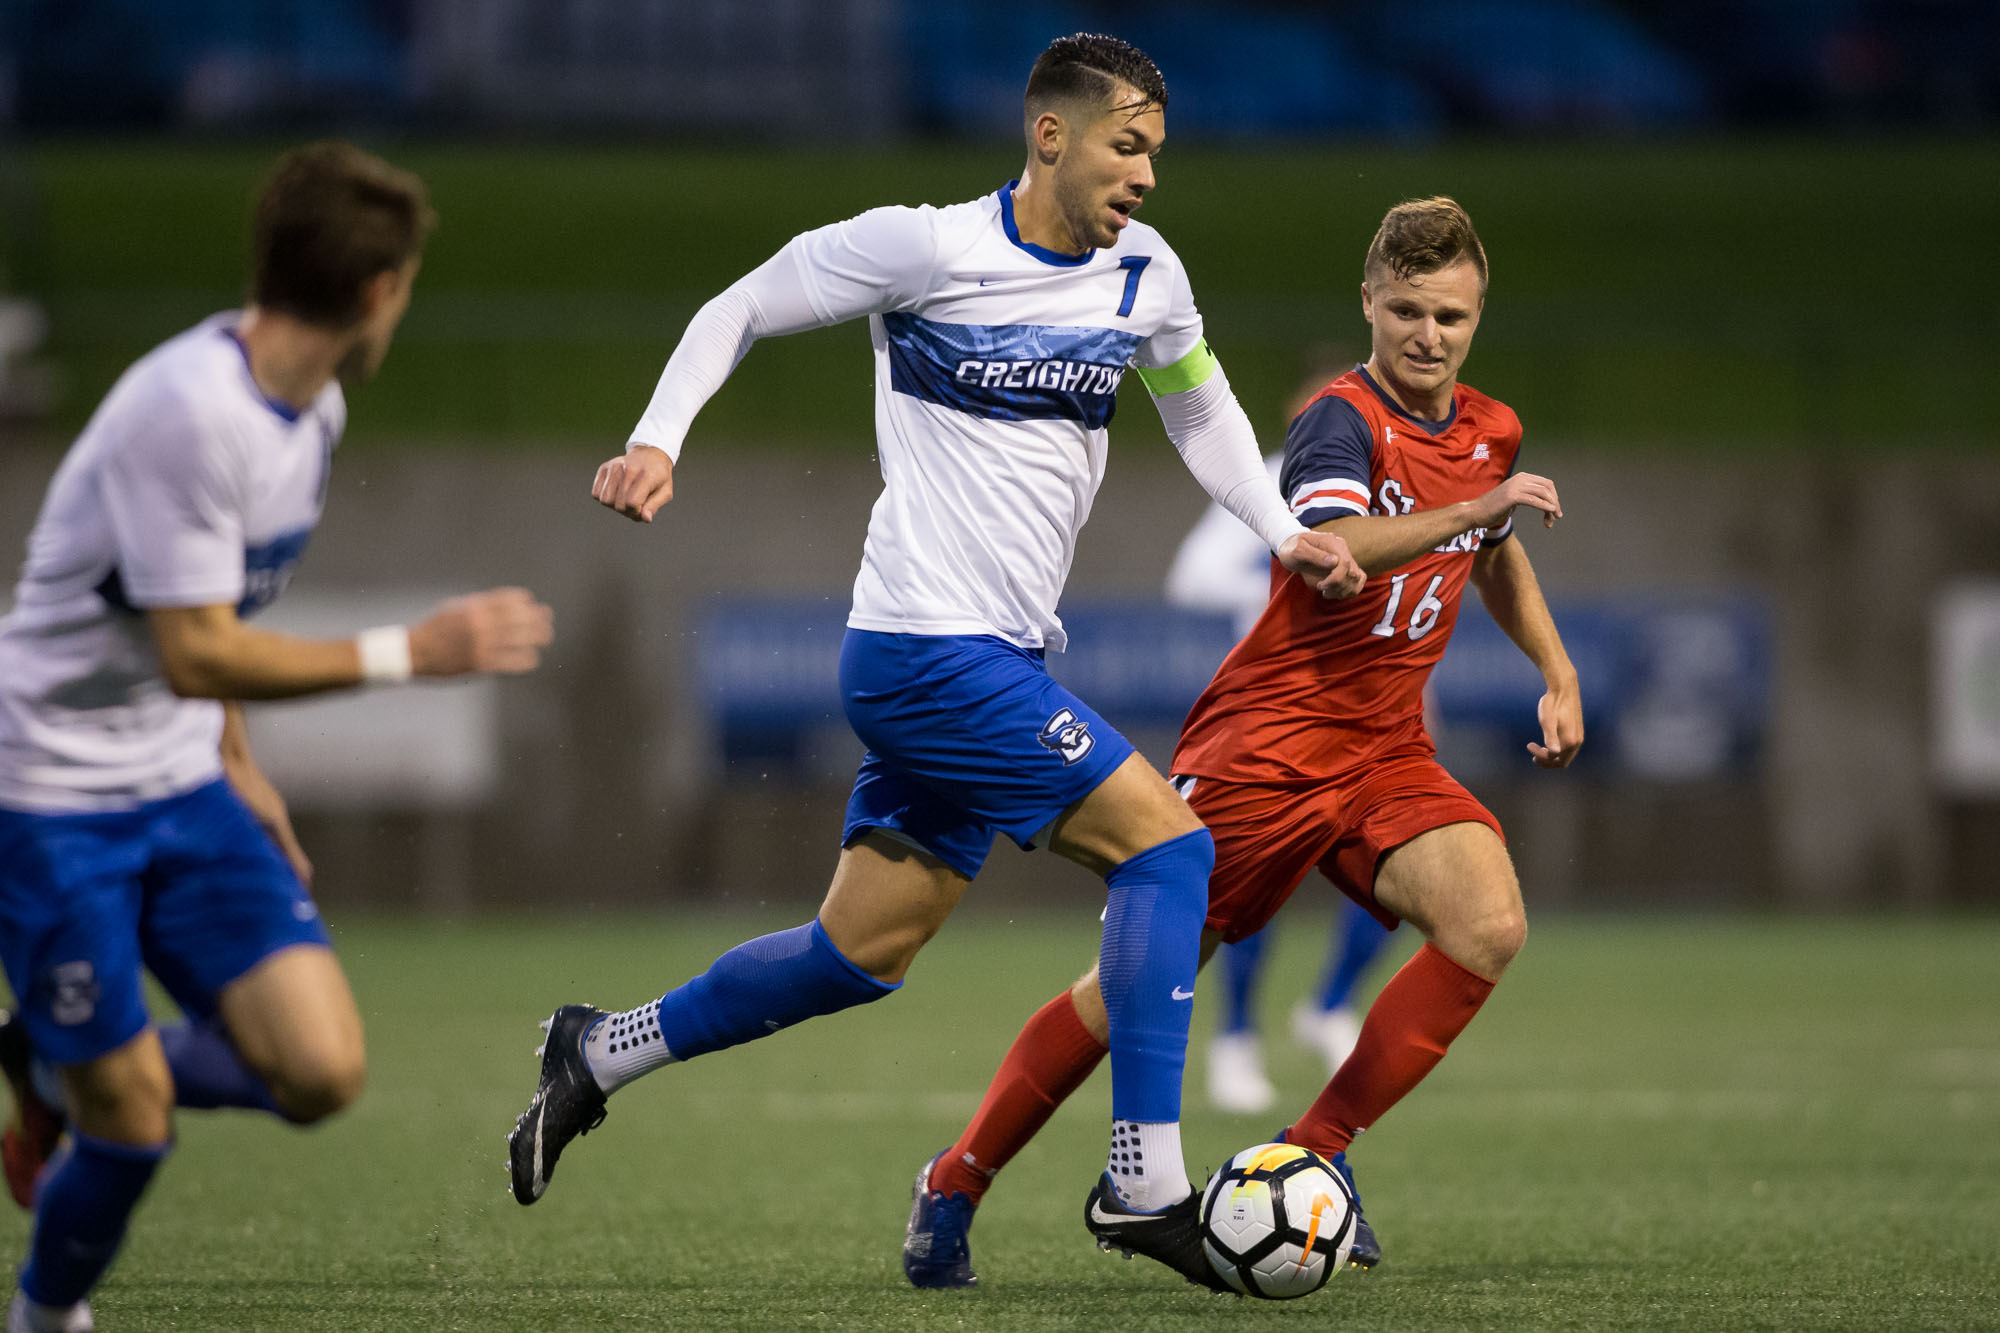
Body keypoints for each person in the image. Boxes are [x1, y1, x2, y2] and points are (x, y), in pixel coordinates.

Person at [502, 33, 1363, 1290]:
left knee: (859, 954)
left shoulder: (1144, 274)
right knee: (1168, 849)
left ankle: (598, 1050)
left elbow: (1197, 409)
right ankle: (1143, 1180)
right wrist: (656, 440)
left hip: (994, 653)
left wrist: (1285, 531)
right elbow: (740, 302)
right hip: (921, 649)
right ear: (1049, 135)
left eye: (1158, 153)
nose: (1146, 175)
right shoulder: (926, 249)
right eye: (1128, 145)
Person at [902, 196, 1584, 1290]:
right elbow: (1332, 543)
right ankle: (956, 1176)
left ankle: (1313, 1152)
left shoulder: (1486, 431)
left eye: (1449, 316)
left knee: (1486, 923)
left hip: (1385, 748)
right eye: (1404, 310)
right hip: (1265, 744)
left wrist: (1553, 668)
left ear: (1476, 311)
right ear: (1368, 303)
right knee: (1125, 990)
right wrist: (1473, 510)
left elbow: (1494, 546)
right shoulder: (1336, 417)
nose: (1427, 335)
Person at [0, 141, 553, 1333]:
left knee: (318, 1071)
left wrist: (239, 770)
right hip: (45, 793)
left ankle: (49, 1062)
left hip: (179, 777)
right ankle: (44, 1314)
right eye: (405, 279)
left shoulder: (311, 411)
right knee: (134, 1121)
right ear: (374, 293)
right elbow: (196, 648)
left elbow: (216, 623)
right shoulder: (185, 413)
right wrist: (413, 651)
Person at [1161, 386, 1395, 1117]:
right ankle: (1235, 1038)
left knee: (1406, 863)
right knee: (1260, 884)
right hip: (1282, 713)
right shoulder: (1267, 481)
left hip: (1378, 708)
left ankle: (1329, 1003)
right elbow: (1191, 577)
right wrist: (1286, 564)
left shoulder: (1402, 483)